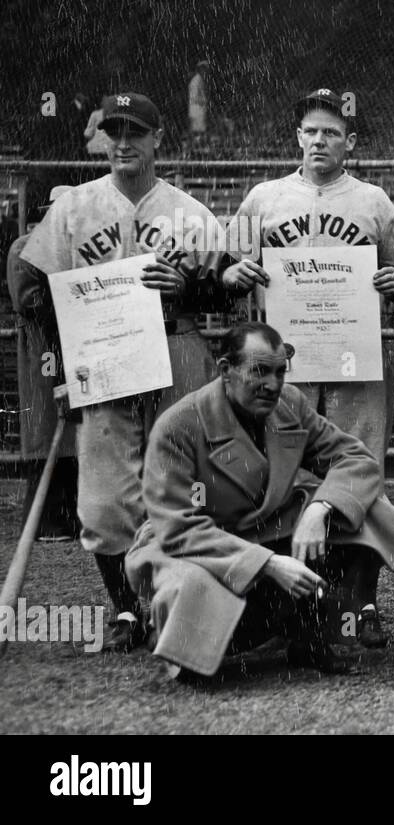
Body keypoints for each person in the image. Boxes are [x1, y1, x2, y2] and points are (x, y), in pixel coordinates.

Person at [19, 92, 229, 651]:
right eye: (113, 131)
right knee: (105, 498)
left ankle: (174, 598)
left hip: (174, 343)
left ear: (158, 139)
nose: (123, 142)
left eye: (135, 131)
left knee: (185, 483)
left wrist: (192, 286)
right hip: (104, 358)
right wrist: (68, 362)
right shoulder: (73, 208)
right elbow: (34, 293)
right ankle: (125, 609)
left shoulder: (189, 212)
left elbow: (228, 294)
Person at [125, 322, 394, 681]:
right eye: (259, 371)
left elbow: (356, 460)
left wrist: (320, 508)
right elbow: (176, 529)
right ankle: (192, 641)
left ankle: (309, 635)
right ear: (225, 371)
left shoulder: (290, 403)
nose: (273, 385)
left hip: (264, 527)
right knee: (188, 596)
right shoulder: (177, 426)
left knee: (360, 509)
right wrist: (267, 563)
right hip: (197, 546)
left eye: (281, 371)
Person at [220, 88, 394, 647]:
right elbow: (231, 273)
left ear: (350, 142)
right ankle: (299, 601)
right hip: (285, 368)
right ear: (297, 138)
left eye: (332, 131)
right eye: (311, 131)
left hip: (357, 359)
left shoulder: (373, 200)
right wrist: (234, 277)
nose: (320, 140)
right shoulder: (264, 198)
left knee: (362, 472)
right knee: (285, 479)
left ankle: (363, 601)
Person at [5, 187, 78, 541]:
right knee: (46, 423)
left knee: (72, 429)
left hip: (70, 340)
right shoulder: (25, 246)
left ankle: (70, 514)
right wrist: (73, 295)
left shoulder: (71, 250)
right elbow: (29, 300)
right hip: (42, 346)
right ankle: (45, 519)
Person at [188, 61, 210, 148]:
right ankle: (193, 150)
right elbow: (194, 97)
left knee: (199, 132)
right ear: (201, 69)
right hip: (196, 110)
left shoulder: (199, 80)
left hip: (199, 110)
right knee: (197, 133)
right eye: (205, 69)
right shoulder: (196, 81)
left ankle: (196, 149)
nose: (206, 72)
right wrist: (204, 100)